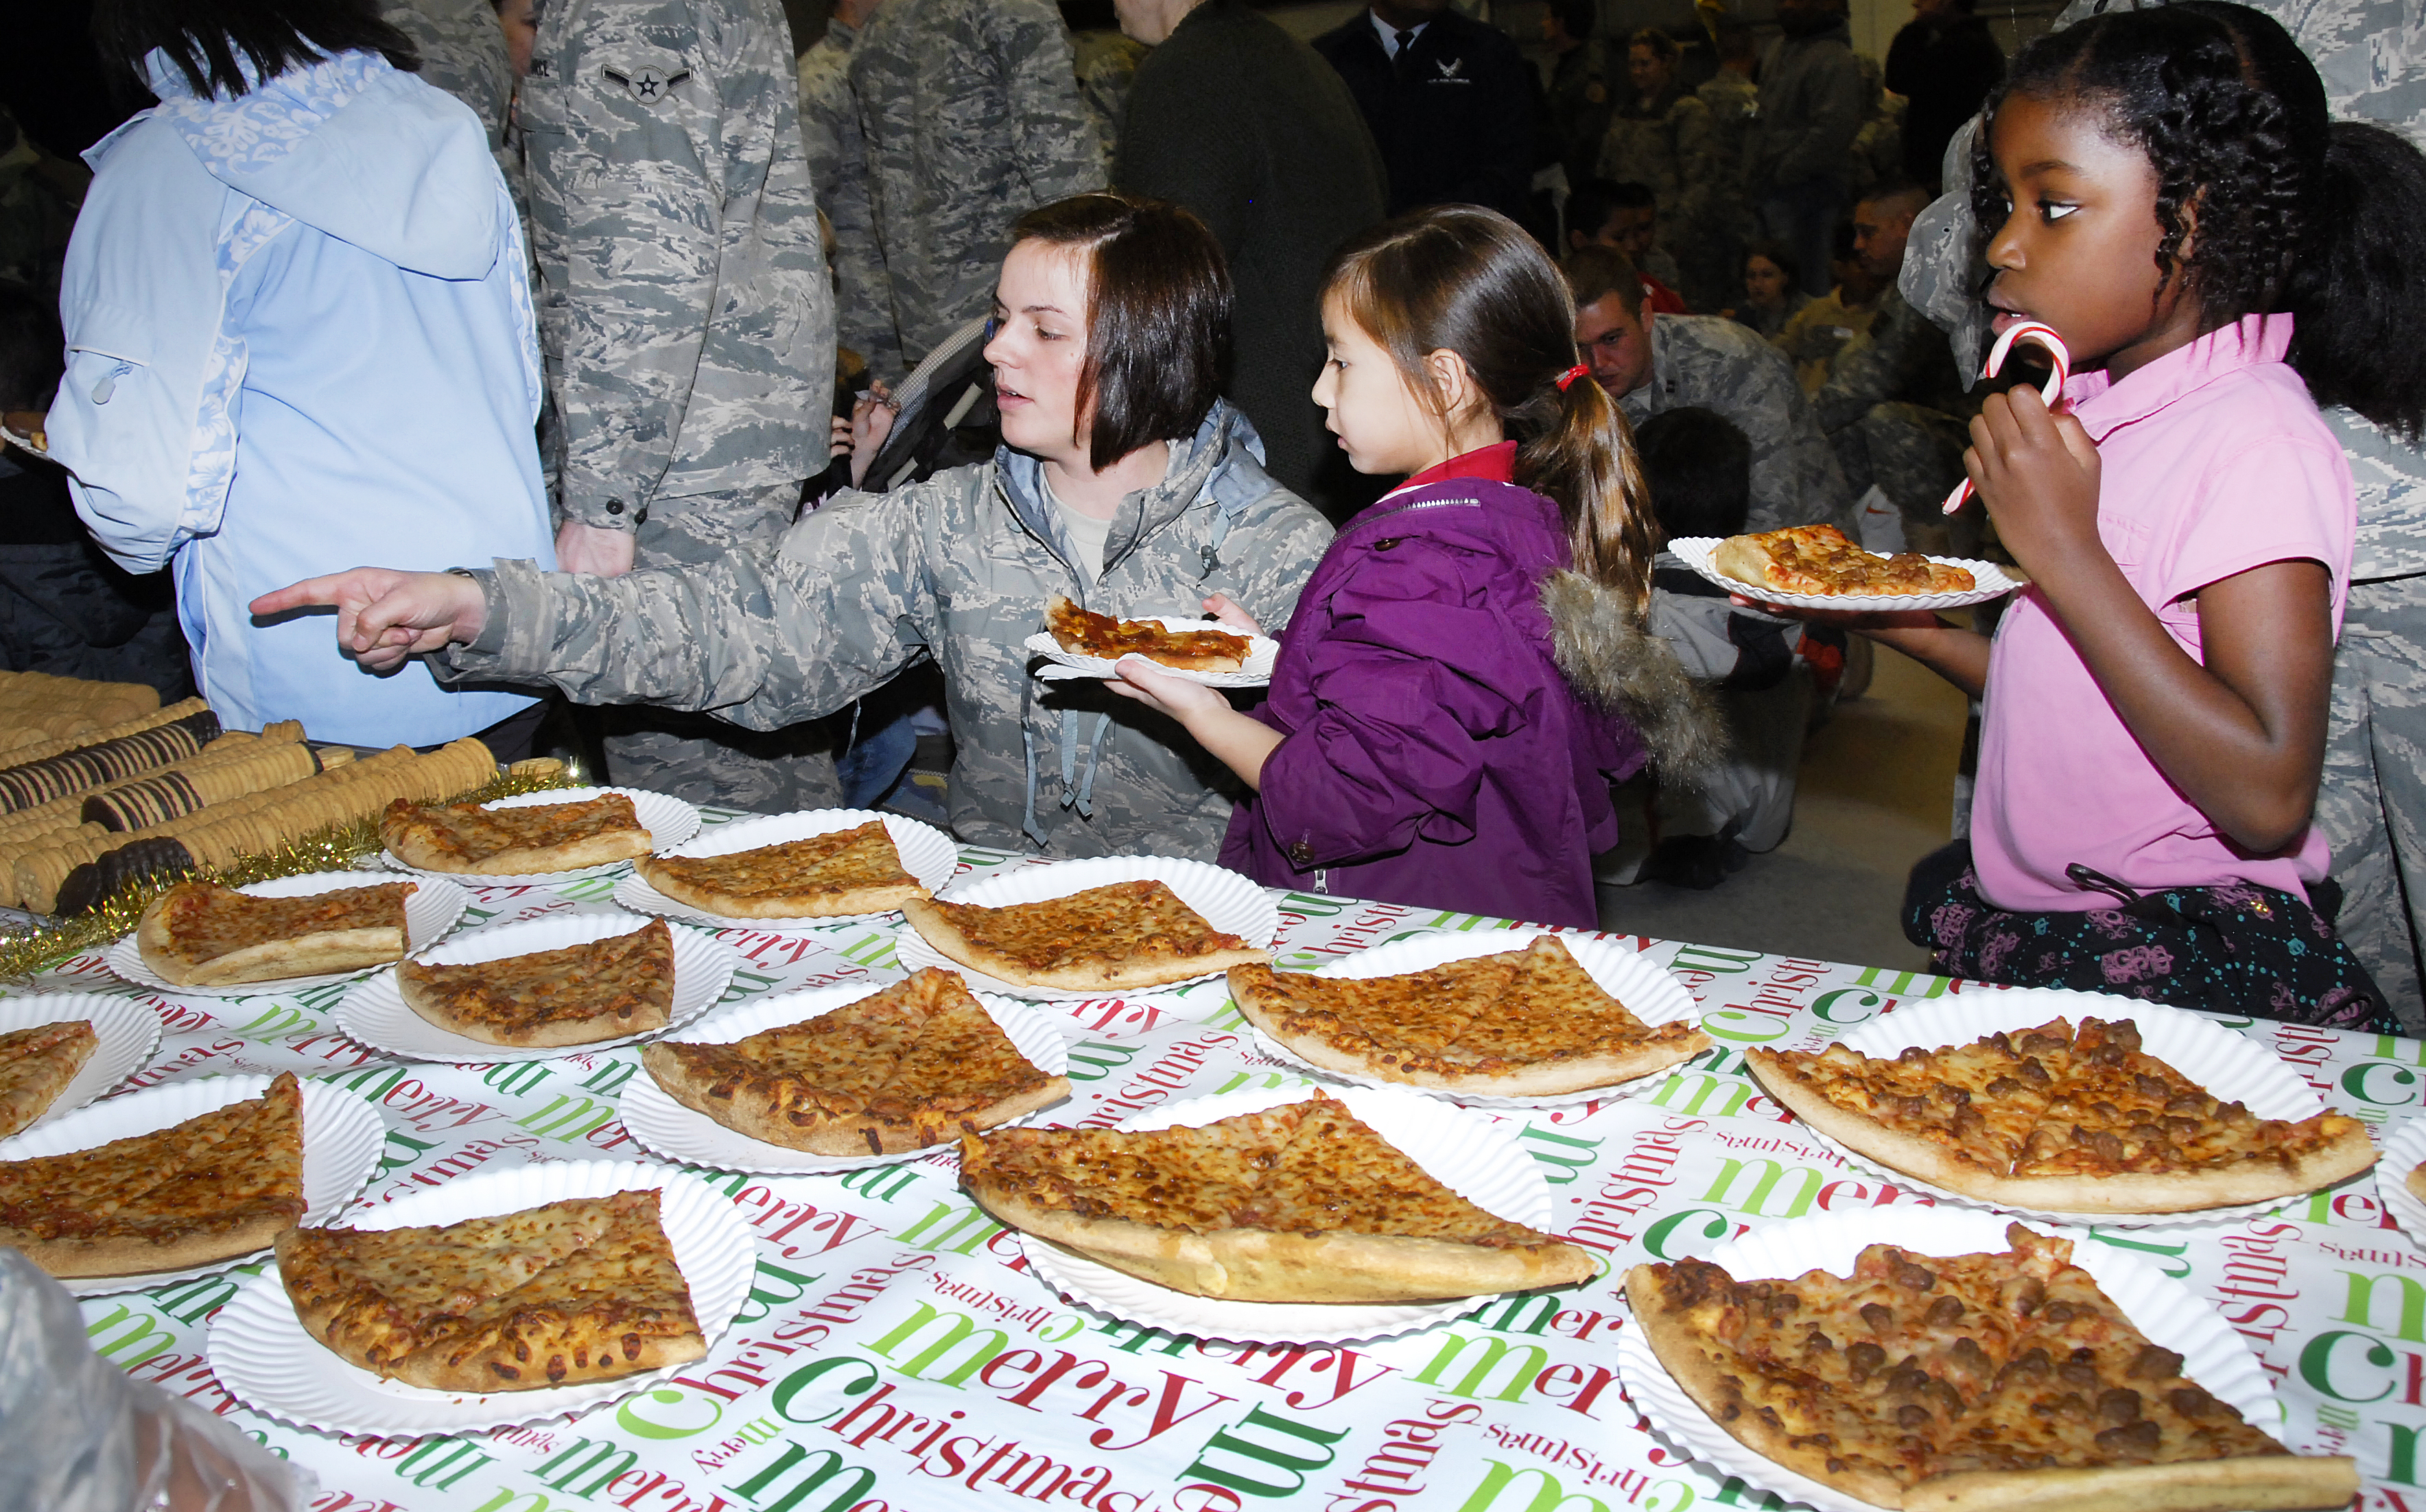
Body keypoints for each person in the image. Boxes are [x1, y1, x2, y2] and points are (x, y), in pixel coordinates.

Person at [257, 195, 1336, 860]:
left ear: (1151, 351)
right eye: (1002, 319)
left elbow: (1370, 794)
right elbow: (735, 629)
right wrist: (483, 609)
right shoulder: (945, 526)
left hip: (1206, 949)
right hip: (990, 941)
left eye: (1044, 330)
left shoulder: (1285, 557)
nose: (997, 352)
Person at [1834, 5, 2426, 1028]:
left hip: (2170, 945)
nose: (2002, 250)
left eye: (2054, 208)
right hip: (2055, 907)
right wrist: (1916, 634)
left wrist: (2064, 552)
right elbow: (2087, 685)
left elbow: (2266, 791)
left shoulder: (2252, 439)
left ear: (2193, 221)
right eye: (2002, 204)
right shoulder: (2109, 409)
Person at [1105, 206, 1715, 929]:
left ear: (1445, 380)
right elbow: (1429, 706)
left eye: (1340, 361)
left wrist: (1201, 714)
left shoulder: (1422, 565)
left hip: (1393, 941)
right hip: (1487, 914)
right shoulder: (1518, 517)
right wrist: (1286, 663)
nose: (1318, 390)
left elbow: (1340, 798)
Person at [49, 0, 556, 751]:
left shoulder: (172, 165)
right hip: (500, 630)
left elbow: (139, 498)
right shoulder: (439, 124)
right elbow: (521, 385)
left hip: (320, 675)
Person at [524, 0, 836, 807]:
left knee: (701, 785)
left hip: (676, 455)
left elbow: (641, 251)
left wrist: (603, 499)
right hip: (720, 431)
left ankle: (753, 934)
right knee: (762, 744)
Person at [1111, 0, 1387, 511]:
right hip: (1333, 441)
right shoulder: (1303, 64)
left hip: (1258, 467)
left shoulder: (1189, 71)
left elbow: (1154, 299)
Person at [849, 0, 1107, 368]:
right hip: (1014, 318)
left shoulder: (884, 21)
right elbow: (1064, 171)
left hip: (921, 317)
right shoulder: (1015, 9)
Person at [1632, 407, 1816, 886]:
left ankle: (1685, 835)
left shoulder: (1645, 601)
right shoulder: (1786, 596)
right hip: (1767, 815)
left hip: (1676, 826)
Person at [1565, 244, 1852, 534]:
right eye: (1581, 347)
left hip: (1806, 544)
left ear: (1645, 316)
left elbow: (1773, 505)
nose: (1597, 363)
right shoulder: (1570, 382)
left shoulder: (1729, 359)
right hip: (1679, 546)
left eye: (1612, 339)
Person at [1808, 180, 1972, 550]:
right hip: (1943, 431)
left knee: (1886, 422)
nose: (1858, 246)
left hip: (1979, 438)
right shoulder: (1911, 280)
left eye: (1869, 233)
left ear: (1908, 224)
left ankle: (1939, 557)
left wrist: (1791, 422)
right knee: (1845, 432)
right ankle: (1830, 548)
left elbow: (1867, 383)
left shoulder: (1935, 281)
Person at [1312, 0, 1538, 226]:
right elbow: (1315, 175)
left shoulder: (1488, 51)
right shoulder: (1327, 60)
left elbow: (1509, 169)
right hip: (1360, 246)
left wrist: (1428, 228)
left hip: (1461, 241)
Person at [797, 0, 902, 382]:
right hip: (862, 315)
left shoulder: (893, 70)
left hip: (902, 308)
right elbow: (804, 213)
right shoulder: (822, 79)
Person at [1750, 0, 1864, 299]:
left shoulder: (1836, 59)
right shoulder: (1777, 50)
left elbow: (1833, 131)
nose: (1786, 6)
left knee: (1808, 285)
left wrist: (1786, 170)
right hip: (1770, 189)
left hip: (1814, 197)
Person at [1596, 28, 1706, 258]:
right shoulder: (1624, 111)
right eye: (1633, 64)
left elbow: (1698, 180)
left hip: (1665, 229)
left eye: (1645, 64)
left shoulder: (1686, 110)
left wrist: (1679, 232)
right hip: (1623, 230)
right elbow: (1606, 168)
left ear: (1666, 63)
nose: (1637, 71)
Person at [1677, 19, 1760, 316]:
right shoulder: (1752, 98)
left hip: (1700, 207)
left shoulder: (1699, 96)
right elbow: (1757, 155)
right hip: (1741, 207)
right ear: (1753, 49)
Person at [1883, 0, 2003, 191]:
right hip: (1945, 164)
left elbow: (1899, 78)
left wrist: (1917, 27)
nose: (1916, 4)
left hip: (1944, 168)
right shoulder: (1963, 43)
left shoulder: (1963, 48)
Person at [1565, 178, 1686, 314]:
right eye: (1619, 238)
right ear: (1580, 241)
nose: (1633, 247)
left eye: (1636, 234)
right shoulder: (1563, 298)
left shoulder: (1647, 286)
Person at [1540, 0, 1612, 193]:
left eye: (1547, 18)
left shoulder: (1587, 73)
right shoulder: (1568, 68)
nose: (1543, 23)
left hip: (1579, 184)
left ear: (1560, 23)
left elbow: (1587, 140)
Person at [1727, 241, 1809, 339]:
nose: (1757, 284)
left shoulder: (1809, 313)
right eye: (1751, 276)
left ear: (1785, 278)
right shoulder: (1745, 314)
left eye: (1767, 275)